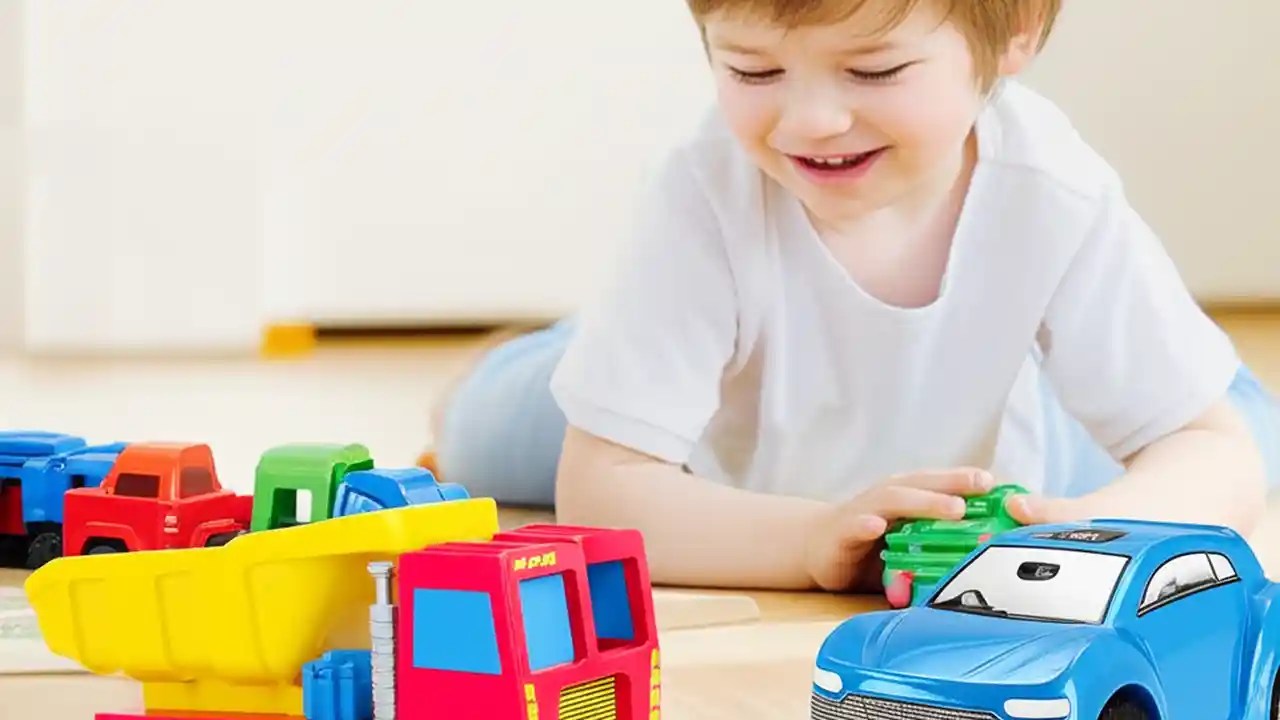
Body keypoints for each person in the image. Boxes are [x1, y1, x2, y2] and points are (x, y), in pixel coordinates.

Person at [431, 0, 1280, 592]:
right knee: (484, 438)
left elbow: (1214, 454)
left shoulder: (1055, 190)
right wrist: (806, 542)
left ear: (1014, 34)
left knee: (1249, 438)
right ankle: (573, 346)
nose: (809, 122)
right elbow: (602, 487)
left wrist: (1075, 541)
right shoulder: (704, 194)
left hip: (1011, 432)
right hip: (729, 429)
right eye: (752, 68)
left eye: (874, 69)